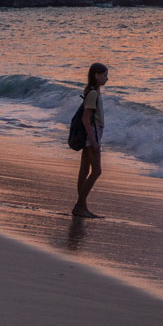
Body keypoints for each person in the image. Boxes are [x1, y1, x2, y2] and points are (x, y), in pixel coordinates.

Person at [71, 62, 108, 218]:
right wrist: (93, 141)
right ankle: (79, 205)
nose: (107, 78)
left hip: (91, 134)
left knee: (85, 171)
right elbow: (86, 119)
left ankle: (82, 206)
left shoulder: (91, 92)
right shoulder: (93, 93)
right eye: (105, 75)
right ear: (96, 75)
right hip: (91, 134)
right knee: (96, 171)